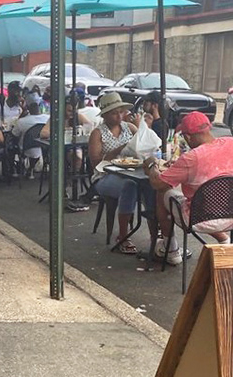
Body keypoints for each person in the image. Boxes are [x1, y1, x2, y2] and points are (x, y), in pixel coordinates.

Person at [143, 111, 233, 265]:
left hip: (197, 219)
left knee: (162, 193)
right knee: (211, 201)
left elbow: (157, 183)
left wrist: (152, 166)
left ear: (188, 137)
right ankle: (224, 240)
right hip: (229, 216)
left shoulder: (191, 158)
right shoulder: (230, 143)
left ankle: (171, 250)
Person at [88, 92, 142, 253]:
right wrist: (119, 150)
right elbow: (96, 163)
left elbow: (142, 145)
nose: (119, 116)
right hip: (104, 176)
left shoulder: (130, 128)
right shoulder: (98, 133)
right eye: (114, 113)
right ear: (105, 115)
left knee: (151, 185)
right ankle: (123, 235)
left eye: (121, 111)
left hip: (130, 172)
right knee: (130, 186)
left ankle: (160, 236)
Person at [11, 100, 50, 178]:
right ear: (39, 109)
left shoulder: (22, 121)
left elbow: (14, 134)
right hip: (44, 146)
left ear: (28, 110)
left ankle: (14, 167)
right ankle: (31, 168)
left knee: (12, 145)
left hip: (26, 146)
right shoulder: (47, 118)